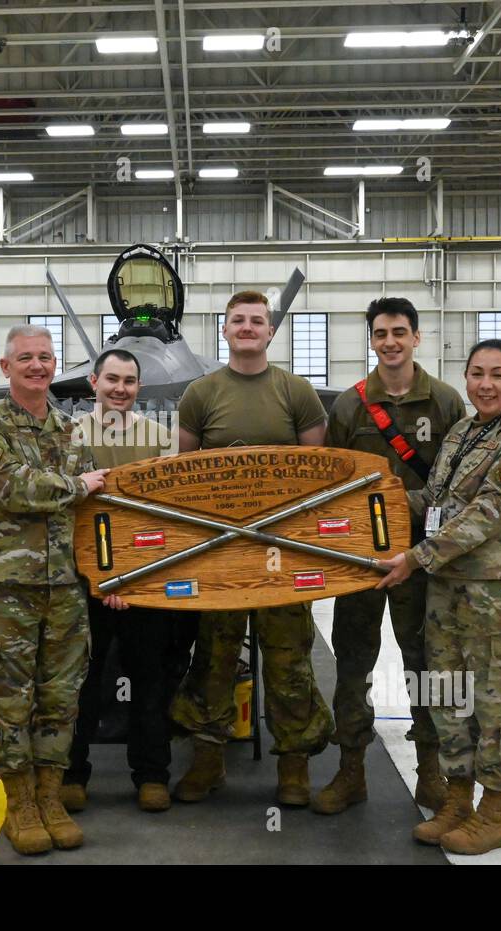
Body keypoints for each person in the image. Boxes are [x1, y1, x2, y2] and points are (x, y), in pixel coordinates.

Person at [373, 339, 501, 855]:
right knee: (446, 696)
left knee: (497, 706)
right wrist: (373, 500)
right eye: (477, 373)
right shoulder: (462, 431)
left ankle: (494, 815)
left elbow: (486, 514)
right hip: (448, 590)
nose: (485, 384)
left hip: (499, 597)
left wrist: (413, 559)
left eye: (498, 374)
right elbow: (436, 499)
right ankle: (457, 802)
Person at [169, 290, 334, 807]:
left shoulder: (297, 392)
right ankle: (208, 759)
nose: (246, 327)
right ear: (224, 330)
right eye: (237, 320)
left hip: (282, 553)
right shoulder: (201, 393)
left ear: (269, 331)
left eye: (256, 320)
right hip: (220, 553)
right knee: (215, 657)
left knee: (289, 661)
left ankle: (294, 766)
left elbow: (319, 474)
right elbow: (182, 475)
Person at [0, 324, 110, 856]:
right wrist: (76, 486)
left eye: (46, 358)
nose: (38, 366)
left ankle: (50, 795)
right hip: (6, 589)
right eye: (26, 358)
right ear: (6, 368)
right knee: (8, 699)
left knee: (59, 699)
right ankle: (19, 801)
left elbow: (94, 513)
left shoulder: (71, 431)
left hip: (66, 587)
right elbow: (11, 489)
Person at [314, 298, 466, 816]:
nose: (390, 342)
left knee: (424, 662)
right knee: (353, 661)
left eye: (399, 332)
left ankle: (430, 769)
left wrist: (423, 537)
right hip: (360, 560)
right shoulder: (350, 406)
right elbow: (330, 483)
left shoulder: (445, 403)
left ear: (416, 338)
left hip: (420, 558)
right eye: (381, 334)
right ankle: (350, 768)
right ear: (372, 340)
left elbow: (457, 486)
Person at [62, 348, 196, 814]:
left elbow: (166, 517)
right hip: (86, 583)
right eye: (112, 379)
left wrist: (131, 580)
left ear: (139, 387)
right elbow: (69, 515)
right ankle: (72, 774)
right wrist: (102, 579)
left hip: (144, 583)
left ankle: (153, 775)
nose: (120, 389)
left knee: (151, 682)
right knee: (82, 682)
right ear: (94, 382)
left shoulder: (160, 440)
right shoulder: (67, 437)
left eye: (129, 381)